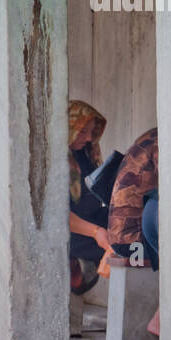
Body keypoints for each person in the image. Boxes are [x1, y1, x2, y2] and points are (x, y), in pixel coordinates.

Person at [108, 127, 161, 335]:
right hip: (134, 243)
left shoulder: (150, 138)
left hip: (123, 236)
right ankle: (161, 320)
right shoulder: (164, 141)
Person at [67, 101, 114, 295]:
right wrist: (96, 232)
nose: (88, 138)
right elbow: (58, 214)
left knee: (134, 225)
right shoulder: (53, 161)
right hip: (71, 231)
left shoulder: (85, 154)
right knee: (117, 242)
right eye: (83, 131)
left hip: (94, 220)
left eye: (92, 132)